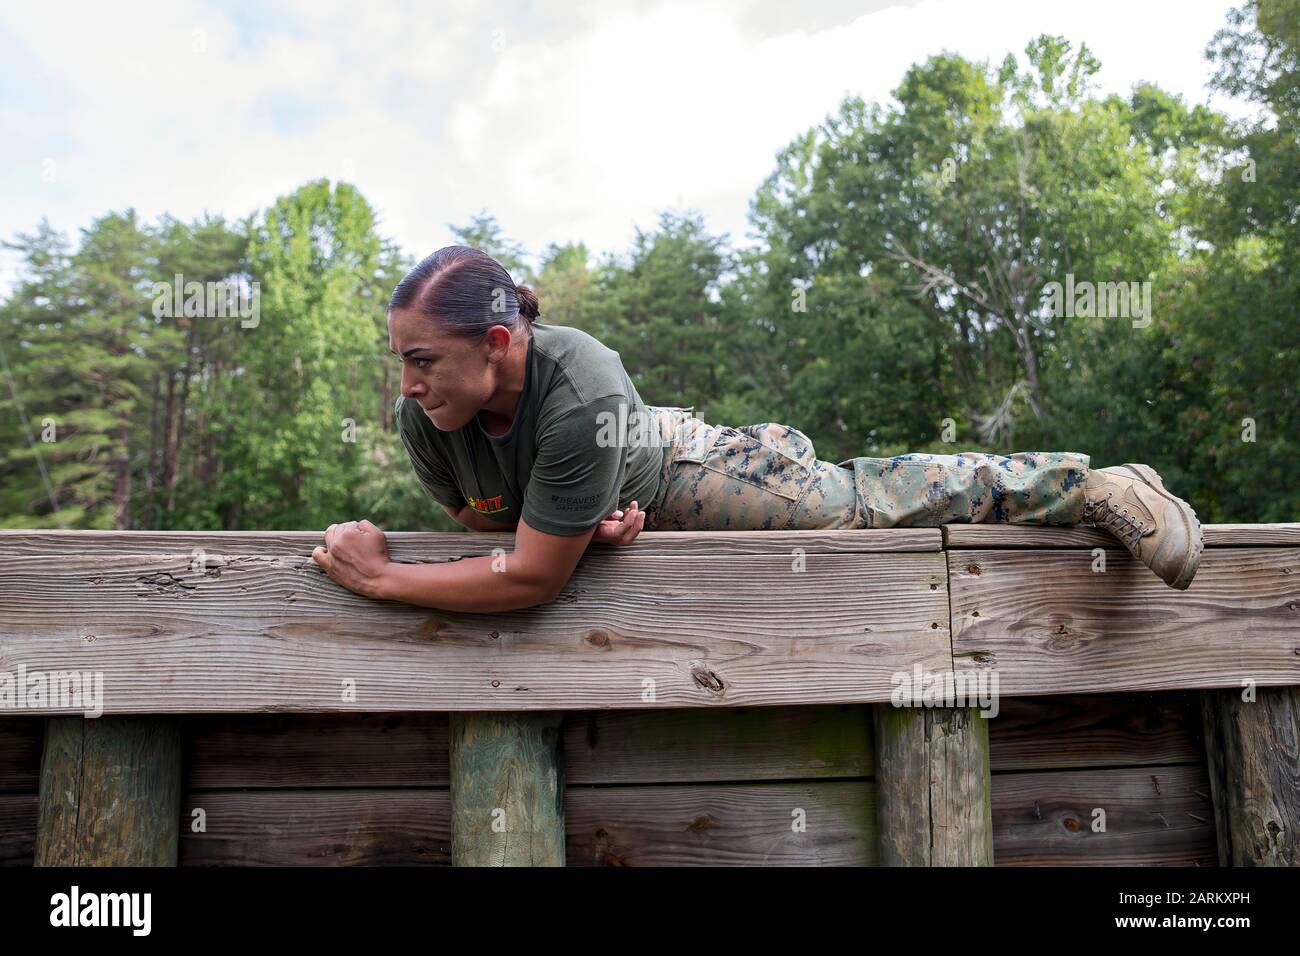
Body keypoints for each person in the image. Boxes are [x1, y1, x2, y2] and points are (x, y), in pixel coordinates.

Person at [311, 246, 1204, 611]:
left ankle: (1086, 486)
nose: (406, 382)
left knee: (849, 507)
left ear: (498, 344)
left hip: (681, 469)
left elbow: (535, 579)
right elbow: (484, 521)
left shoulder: (578, 393)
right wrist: (576, 518)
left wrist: (388, 578)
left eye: (423, 359)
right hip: (613, 493)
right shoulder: (426, 415)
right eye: (400, 359)